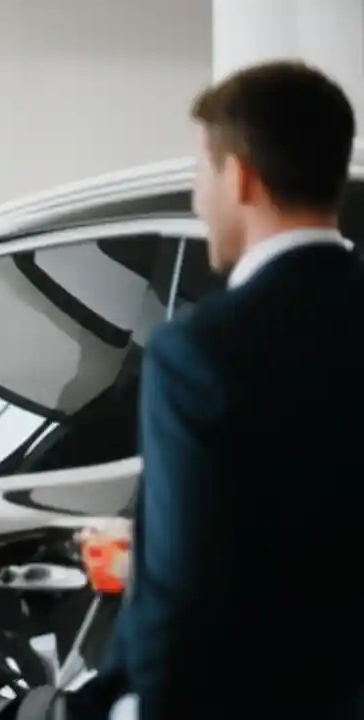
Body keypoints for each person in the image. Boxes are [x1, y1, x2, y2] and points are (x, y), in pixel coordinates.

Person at [71, 60, 364, 719]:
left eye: (202, 173)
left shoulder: (202, 351)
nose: (199, 199)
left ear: (240, 176)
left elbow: (186, 590)